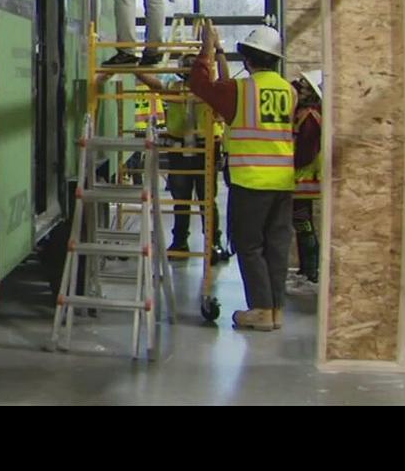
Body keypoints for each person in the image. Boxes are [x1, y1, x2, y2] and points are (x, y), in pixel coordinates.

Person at [188, 22, 295, 332]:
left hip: (251, 180)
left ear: (248, 60)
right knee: (276, 245)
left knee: (249, 245)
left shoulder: (242, 90)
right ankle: (275, 310)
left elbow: (201, 85)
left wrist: (206, 48)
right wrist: (219, 51)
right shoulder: (288, 91)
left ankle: (260, 309)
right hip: (283, 181)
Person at [136, 48, 228, 258]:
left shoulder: (208, 89)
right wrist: (137, 65)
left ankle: (213, 243)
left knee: (207, 200)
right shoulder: (175, 88)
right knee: (182, 199)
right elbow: (152, 83)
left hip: (205, 148)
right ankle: (180, 243)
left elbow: (225, 81)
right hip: (180, 148)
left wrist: (220, 52)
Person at [287, 70, 323, 296]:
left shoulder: (309, 116)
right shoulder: (304, 113)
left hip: (303, 180)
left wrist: (289, 164)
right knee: (302, 225)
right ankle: (305, 270)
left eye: (303, 86)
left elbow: (305, 152)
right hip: (302, 179)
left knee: (304, 226)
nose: (298, 88)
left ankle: (311, 273)